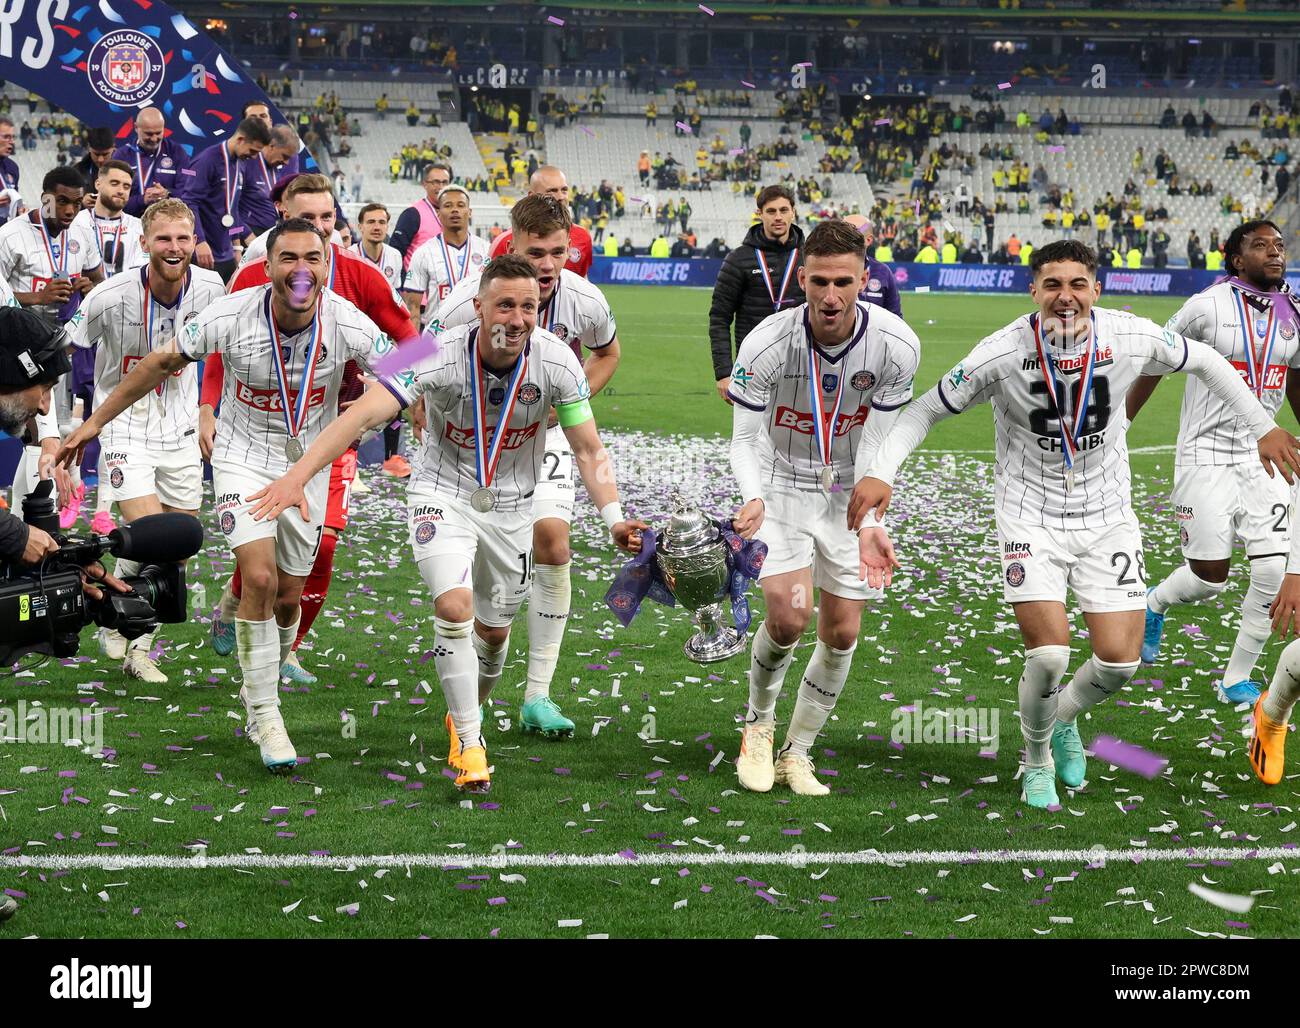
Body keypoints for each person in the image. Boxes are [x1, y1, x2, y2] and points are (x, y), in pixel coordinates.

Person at [850, 239, 1300, 809]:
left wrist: (1263, 424)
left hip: (1107, 516)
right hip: (1029, 516)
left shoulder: (1130, 335)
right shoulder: (1001, 351)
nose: (1066, 297)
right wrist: (883, 473)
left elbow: (1208, 361)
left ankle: (1061, 718)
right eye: (1053, 285)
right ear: (1034, 290)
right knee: (1050, 656)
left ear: (1096, 289)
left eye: (1078, 284)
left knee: (1119, 661)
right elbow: (925, 410)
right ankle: (1034, 757)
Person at [246, 254, 645, 792]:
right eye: (505, 305)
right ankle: (471, 743)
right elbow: (366, 409)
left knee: (495, 634)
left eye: (529, 307)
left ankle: (464, 715)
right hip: (442, 493)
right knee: (454, 607)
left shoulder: (559, 362)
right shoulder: (437, 346)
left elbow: (588, 447)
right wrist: (299, 475)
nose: (518, 318)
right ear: (477, 308)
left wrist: (614, 518)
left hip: (512, 504)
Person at [60, 218, 409, 772]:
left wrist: (379, 403)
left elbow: (409, 367)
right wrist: (92, 425)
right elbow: (157, 364)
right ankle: (264, 713)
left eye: (312, 259)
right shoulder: (230, 313)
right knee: (262, 578)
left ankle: (246, 646)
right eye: (288, 258)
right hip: (241, 458)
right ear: (266, 266)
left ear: (326, 266)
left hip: (310, 463)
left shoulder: (348, 322)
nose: (300, 270)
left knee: (290, 595)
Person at [726, 220, 918, 795]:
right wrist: (753, 495)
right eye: (820, 282)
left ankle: (798, 751)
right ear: (802, 278)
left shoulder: (897, 344)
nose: (831, 297)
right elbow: (742, 438)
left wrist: (871, 522)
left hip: (846, 492)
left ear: (865, 278)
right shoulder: (764, 342)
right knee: (788, 617)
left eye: (844, 282)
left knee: (841, 633)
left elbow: (879, 444)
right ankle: (757, 727)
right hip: (781, 483)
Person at [204, 177, 419, 683]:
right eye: (309, 218)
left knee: (319, 546)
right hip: (254, 432)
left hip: (333, 430)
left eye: (328, 219)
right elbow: (218, 343)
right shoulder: (258, 270)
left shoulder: (361, 276)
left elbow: (412, 342)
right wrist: (207, 406)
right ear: (283, 217)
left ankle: (289, 647)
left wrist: (389, 391)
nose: (321, 229)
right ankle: (241, 594)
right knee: (262, 548)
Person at [426, 194, 623, 738]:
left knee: (554, 543)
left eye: (559, 252)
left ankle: (538, 693)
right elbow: (415, 356)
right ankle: (474, 691)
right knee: (482, 612)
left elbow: (607, 352)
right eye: (536, 252)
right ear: (511, 246)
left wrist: (571, 404)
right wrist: (421, 412)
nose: (548, 265)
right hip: (467, 453)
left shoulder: (585, 299)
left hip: (543, 433)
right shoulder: (467, 300)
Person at [1131, 221, 1300, 704]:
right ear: (1235, 258)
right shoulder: (1205, 306)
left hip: (1262, 454)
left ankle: (1235, 679)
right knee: (1210, 576)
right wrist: (1119, 429)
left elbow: (1296, 378)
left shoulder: (1294, 313)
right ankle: (1154, 603)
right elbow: (1154, 363)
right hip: (1203, 455)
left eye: (1279, 246)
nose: (1274, 252)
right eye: (1260, 245)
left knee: (1272, 570)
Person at [65, 198, 225, 681]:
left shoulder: (214, 289)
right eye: (163, 239)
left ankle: (128, 626)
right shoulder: (109, 296)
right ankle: (135, 647)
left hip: (180, 430)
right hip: (124, 427)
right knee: (149, 539)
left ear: (194, 241)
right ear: (144, 243)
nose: (174, 248)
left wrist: (206, 409)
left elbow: (222, 354)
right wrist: (73, 416)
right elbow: (68, 346)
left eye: (182, 238)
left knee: (175, 550)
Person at [709, 186, 805, 405]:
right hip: (753, 364)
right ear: (760, 214)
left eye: (783, 210)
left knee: (799, 433)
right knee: (751, 436)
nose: (778, 217)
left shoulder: (810, 256)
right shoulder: (739, 258)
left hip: (802, 363)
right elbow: (719, 318)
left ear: (793, 212)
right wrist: (724, 372)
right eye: (771, 211)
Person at [176, 116, 272, 280]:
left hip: (226, 253)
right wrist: (198, 241)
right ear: (241, 139)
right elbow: (189, 202)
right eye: (253, 151)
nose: (255, 157)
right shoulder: (207, 160)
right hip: (205, 252)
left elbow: (231, 209)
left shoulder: (240, 163)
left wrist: (237, 247)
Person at [403, 185, 489, 328]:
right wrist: (415, 349)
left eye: (460, 205)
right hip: (436, 335)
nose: (455, 210)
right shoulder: (424, 253)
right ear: (438, 214)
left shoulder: (486, 250)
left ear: (469, 212)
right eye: (448, 205)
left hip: (476, 333)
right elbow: (413, 309)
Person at [488, 166, 594, 277]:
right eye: (552, 191)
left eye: (564, 190)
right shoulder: (503, 241)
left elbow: (582, 279)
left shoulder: (583, 237)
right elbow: (488, 285)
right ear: (531, 196)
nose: (561, 197)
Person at [112, 108, 189, 220]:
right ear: (136, 128)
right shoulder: (121, 156)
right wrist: (142, 200)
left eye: (158, 133)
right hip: (131, 225)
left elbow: (189, 190)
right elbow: (113, 200)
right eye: (148, 134)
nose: (154, 139)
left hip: (168, 222)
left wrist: (167, 194)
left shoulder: (178, 153)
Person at [239, 124, 301, 237]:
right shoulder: (247, 162)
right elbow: (227, 207)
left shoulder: (273, 166)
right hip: (251, 235)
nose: (286, 163)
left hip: (272, 232)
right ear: (272, 146)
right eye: (285, 156)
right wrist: (245, 234)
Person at [388, 162, 451, 271]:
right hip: (415, 285)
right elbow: (395, 253)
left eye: (445, 182)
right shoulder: (412, 214)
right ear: (424, 184)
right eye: (435, 182)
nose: (441, 187)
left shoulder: (454, 214)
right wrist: (405, 282)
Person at [350, 202, 404, 292]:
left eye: (382, 222)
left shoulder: (395, 256)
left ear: (387, 227)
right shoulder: (349, 256)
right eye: (371, 222)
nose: (377, 227)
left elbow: (396, 297)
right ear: (360, 227)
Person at [73, 127, 116, 204]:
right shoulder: (76, 172)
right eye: (96, 154)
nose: (100, 159)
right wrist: (80, 202)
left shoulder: (126, 170)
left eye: (105, 154)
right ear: (89, 147)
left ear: (113, 147)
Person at [0, 116, 19, 227]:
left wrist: (20, 208)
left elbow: (15, 198)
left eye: (12, 137)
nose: (11, 142)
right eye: (6, 137)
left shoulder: (12, 167)